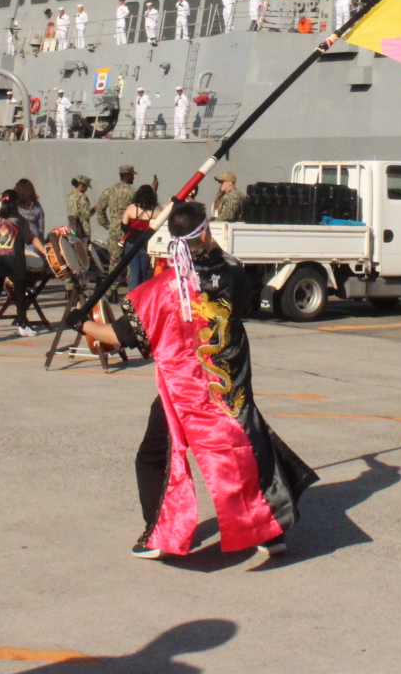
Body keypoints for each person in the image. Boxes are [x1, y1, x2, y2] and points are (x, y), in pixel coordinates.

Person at [75, 201, 316, 560]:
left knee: (154, 456)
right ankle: (270, 531)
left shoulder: (163, 289)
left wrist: (82, 323)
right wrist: (202, 235)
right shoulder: (234, 272)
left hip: (185, 390)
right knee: (250, 451)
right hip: (229, 386)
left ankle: (160, 534)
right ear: (205, 232)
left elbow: (121, 335)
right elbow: (223, 269)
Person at [0, 189, 43, 336]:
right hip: (15, 260)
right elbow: (31, 239)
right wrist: (46, 252)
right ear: (16, 203)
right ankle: (22, 326)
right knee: (20, 293)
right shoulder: (20, 220)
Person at [123, 184, 159, 287]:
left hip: (132, 243)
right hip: (146, 244)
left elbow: (124, 225)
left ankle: (133, 299)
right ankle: (142, 298)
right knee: (144, 273)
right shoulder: (157, 210)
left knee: (134, 273)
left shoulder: (131, 208)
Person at [15, 178, 47, 246]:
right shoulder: (37, 207)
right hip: (35, 242)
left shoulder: (15, 207)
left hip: (19, 241)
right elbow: (41, 229)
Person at [66, 176, 96, 248]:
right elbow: (87, 214)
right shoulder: (82, 196)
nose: (86, 189)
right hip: (83, 229)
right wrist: (95, 208)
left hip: (72, 227)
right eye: (86, 187)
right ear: (82, 186)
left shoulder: (69, 196)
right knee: (86, 251)